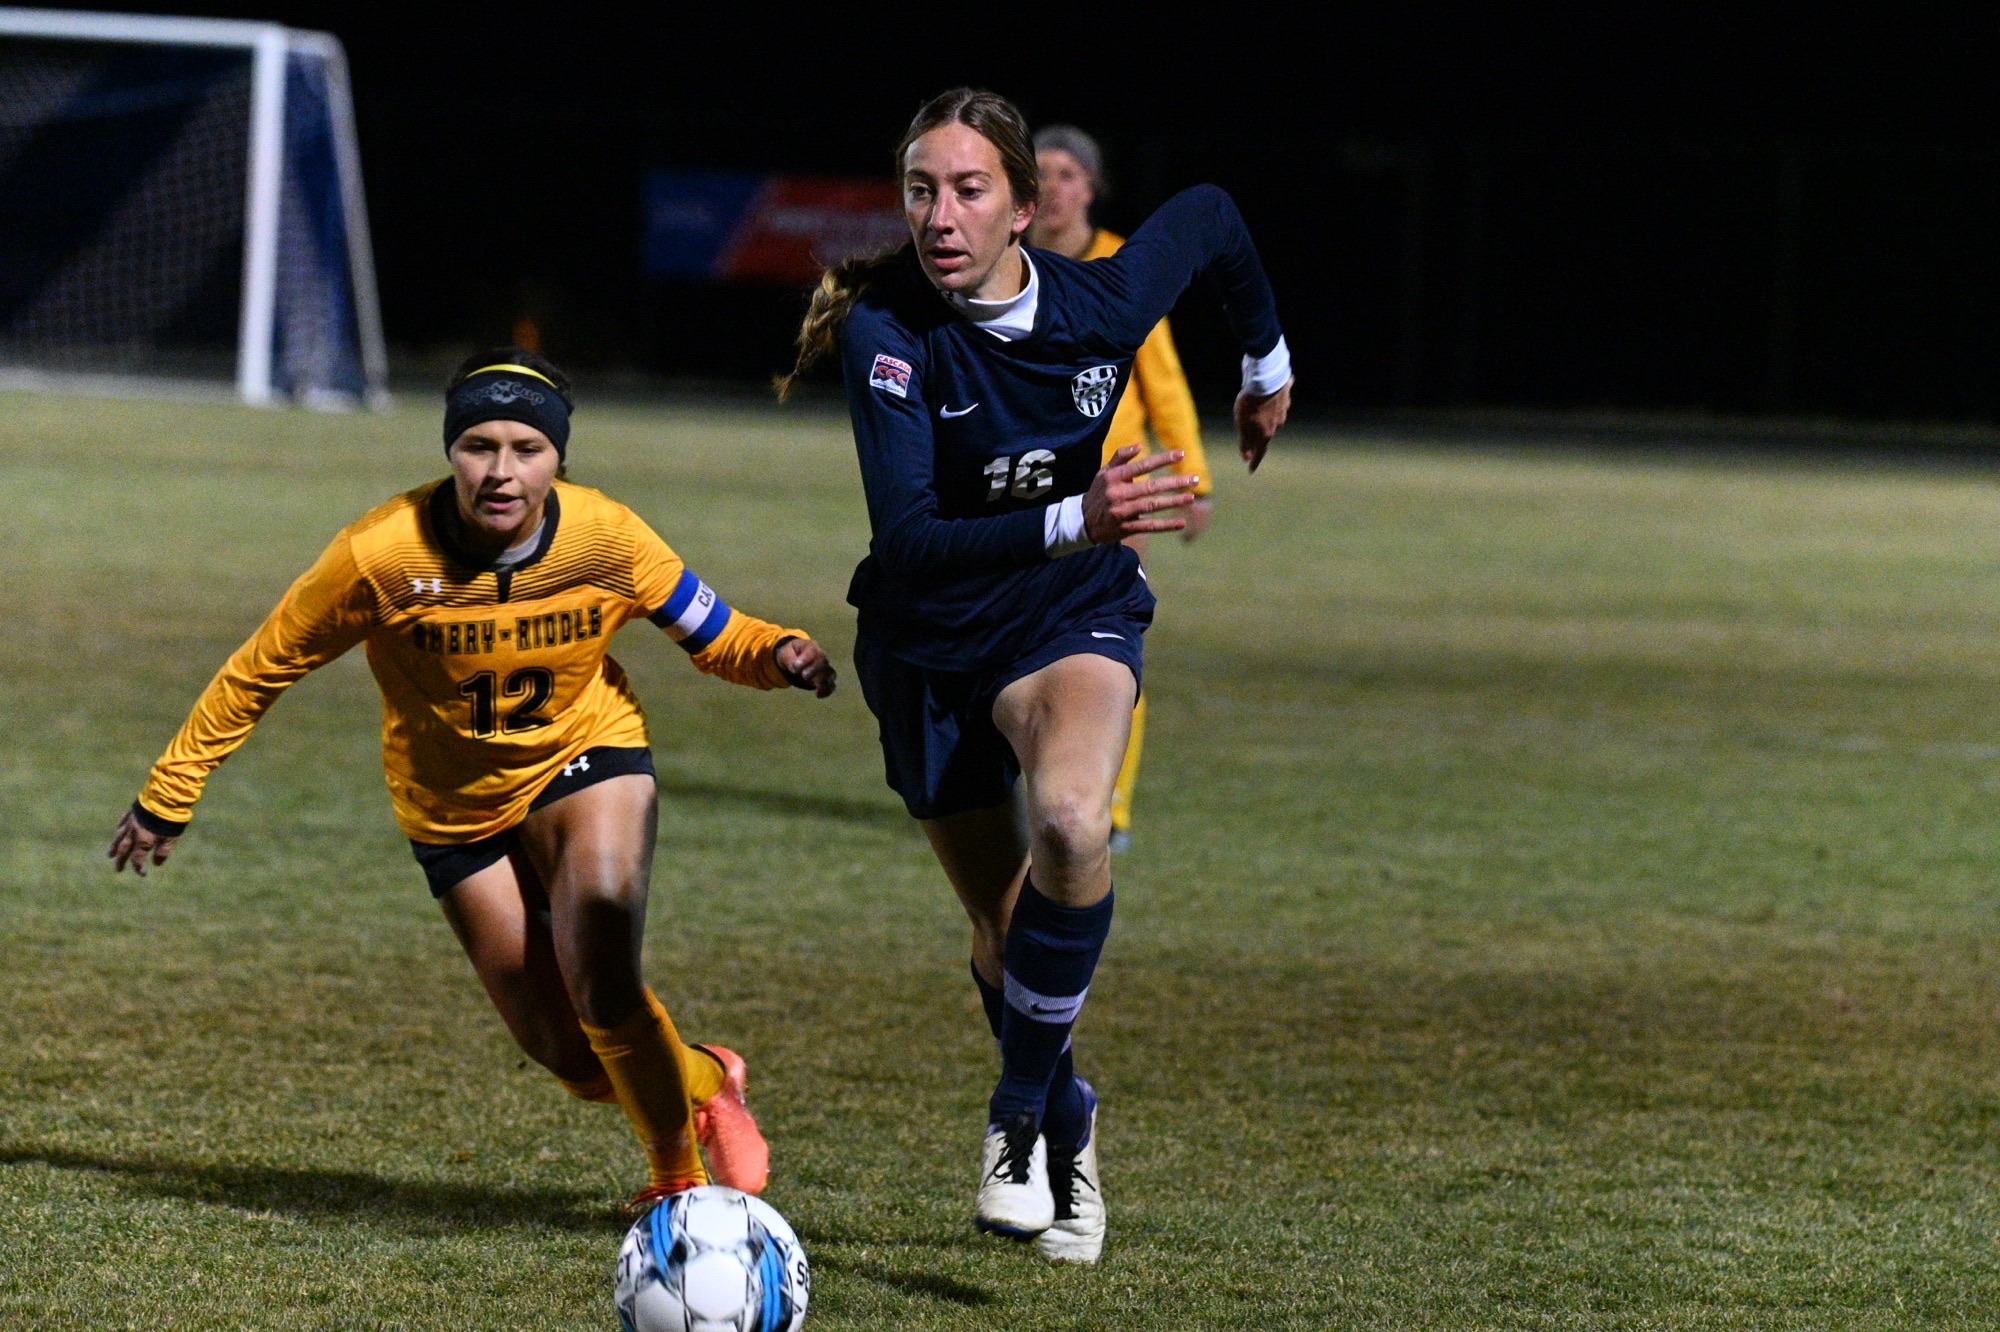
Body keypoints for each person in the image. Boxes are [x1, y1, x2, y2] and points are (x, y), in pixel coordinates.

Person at [108, 349, 837, 1210]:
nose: (501, 471)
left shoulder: (607, 537)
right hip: (450, 802)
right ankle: (709, 1079)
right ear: (450, 449)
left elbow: (716, 634)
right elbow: (259, 669)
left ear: (558, 457)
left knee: (602, 972)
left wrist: (777, 653)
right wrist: (170, 793)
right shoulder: (379, 555)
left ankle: (677, 1185)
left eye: (527, 449)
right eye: (478, 446)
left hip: (583, 755)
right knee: (568, 1055)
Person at [776, 89, 1292, 1264]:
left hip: (1065, 614)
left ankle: (1013, 1117)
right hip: (928, 643)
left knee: (1069, 823)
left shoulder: (1097, 302)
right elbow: (909, 542)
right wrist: (1079, 514)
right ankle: (1066, 1118)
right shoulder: (888, 333)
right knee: (1000, 929)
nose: (938, 216)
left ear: (1023, 206)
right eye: (919, 190)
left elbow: (1211, 216)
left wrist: (1266, 360)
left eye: (968, 191)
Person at [1027, 124, 1214, 853]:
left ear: (1092, 188)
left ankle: (1111, 805)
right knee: (1013, 645)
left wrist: (1195, 481)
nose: (1052, 187)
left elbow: (1163, 381)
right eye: (1039, 172)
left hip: (1116, 491)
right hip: (1027, 490)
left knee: (1107, 649)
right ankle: (1028, 789)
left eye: (1067, 174)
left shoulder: (1122, 266)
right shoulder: (1006, 263)